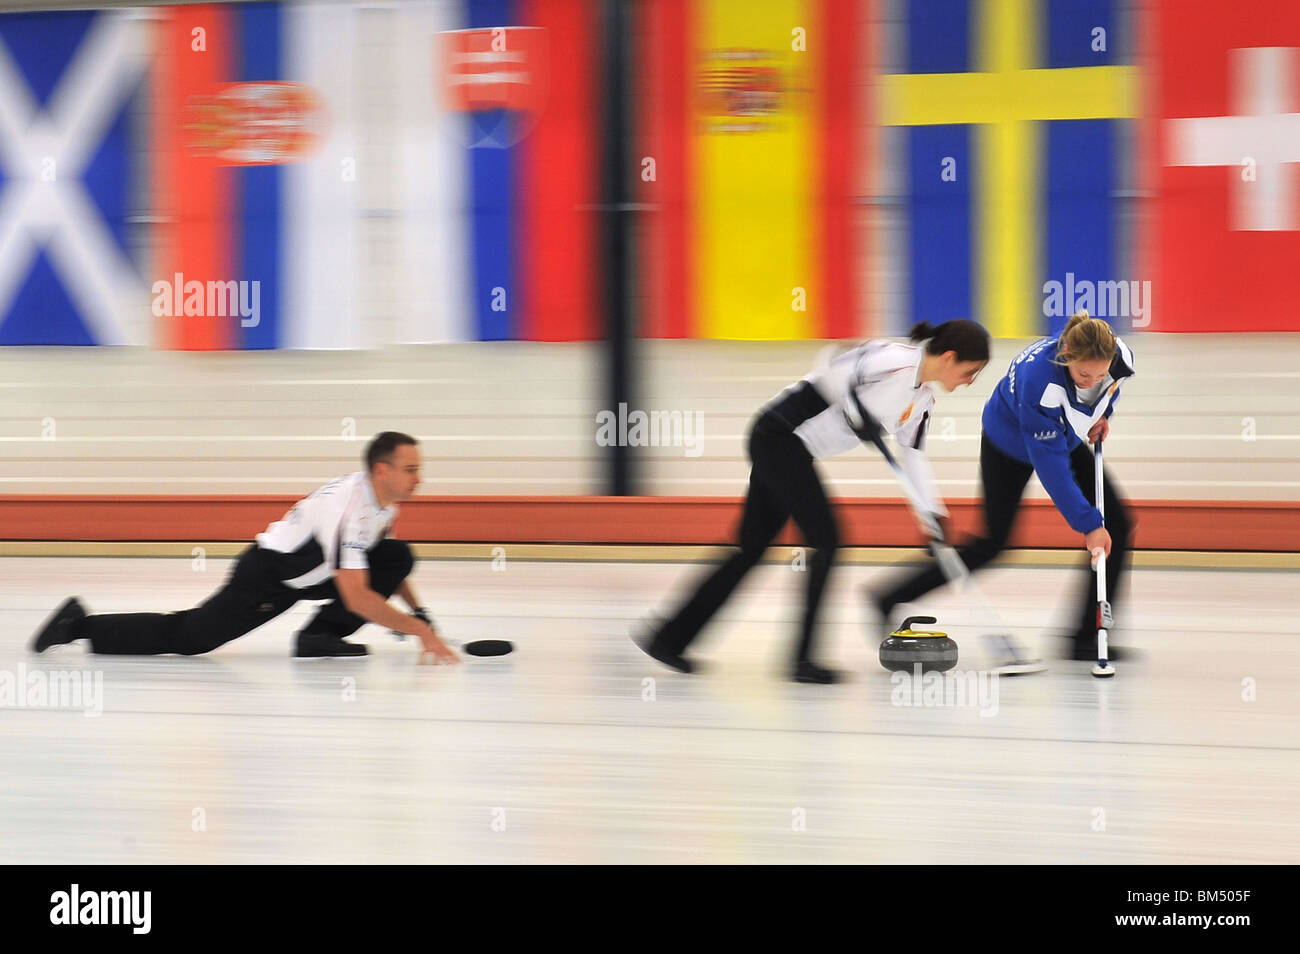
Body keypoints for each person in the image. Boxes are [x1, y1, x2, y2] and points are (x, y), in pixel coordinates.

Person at [637, 320, 990, 684]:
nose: (969, 381)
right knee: (827, 539)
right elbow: (830, 364)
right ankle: (803, 660)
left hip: (793, 452)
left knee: (751, 548)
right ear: (949, 357)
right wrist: (857, 415)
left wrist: (932, 515)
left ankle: (668, 638)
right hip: (779, 436)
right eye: (970, 372)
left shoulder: (921, 401)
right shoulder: (893, 358)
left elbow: (913, 457)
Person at [30, 431, 459, 663]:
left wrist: (418, 611)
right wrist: (418, 631)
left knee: (398, 557)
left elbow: (387, 566)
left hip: (308, 576)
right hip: (267, 578)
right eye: (410, 470)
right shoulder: (346, 507)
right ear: (381, 470)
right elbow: (357, 596)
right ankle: (80, 625)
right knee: (191, 638)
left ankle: (319, 637)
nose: (419, 478)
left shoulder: (384, 504)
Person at [873, 311, 1136, 660]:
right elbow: (1052, 467)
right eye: (1083, 374)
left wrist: (1102, 417)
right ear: (1067, 353)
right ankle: (888, 597)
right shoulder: (1039, 383)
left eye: (1099, 374)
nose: (1091, 381)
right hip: (1008, 444)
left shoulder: (1118, 359)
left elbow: (1110, 391)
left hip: (1064, 436)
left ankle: (1086, 638)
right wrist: (1088, 525)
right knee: (993, 544)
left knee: (1117, 521)